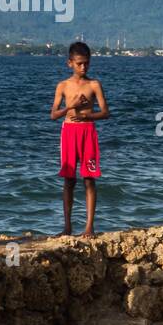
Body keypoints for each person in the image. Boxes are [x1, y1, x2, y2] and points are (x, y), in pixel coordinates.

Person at [51, 41, 109, 237]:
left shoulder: (94, 85)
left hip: (87, 132)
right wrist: (71, 106)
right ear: (70, 63)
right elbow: (53, 115)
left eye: (86, 63)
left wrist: (86, 116)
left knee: (89, 179)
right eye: (79, 64)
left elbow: (105, 112)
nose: (83, 67)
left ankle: (89, 227)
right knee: (69, 179)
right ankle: (67, 227)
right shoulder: (63, 86)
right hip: (69, 132)